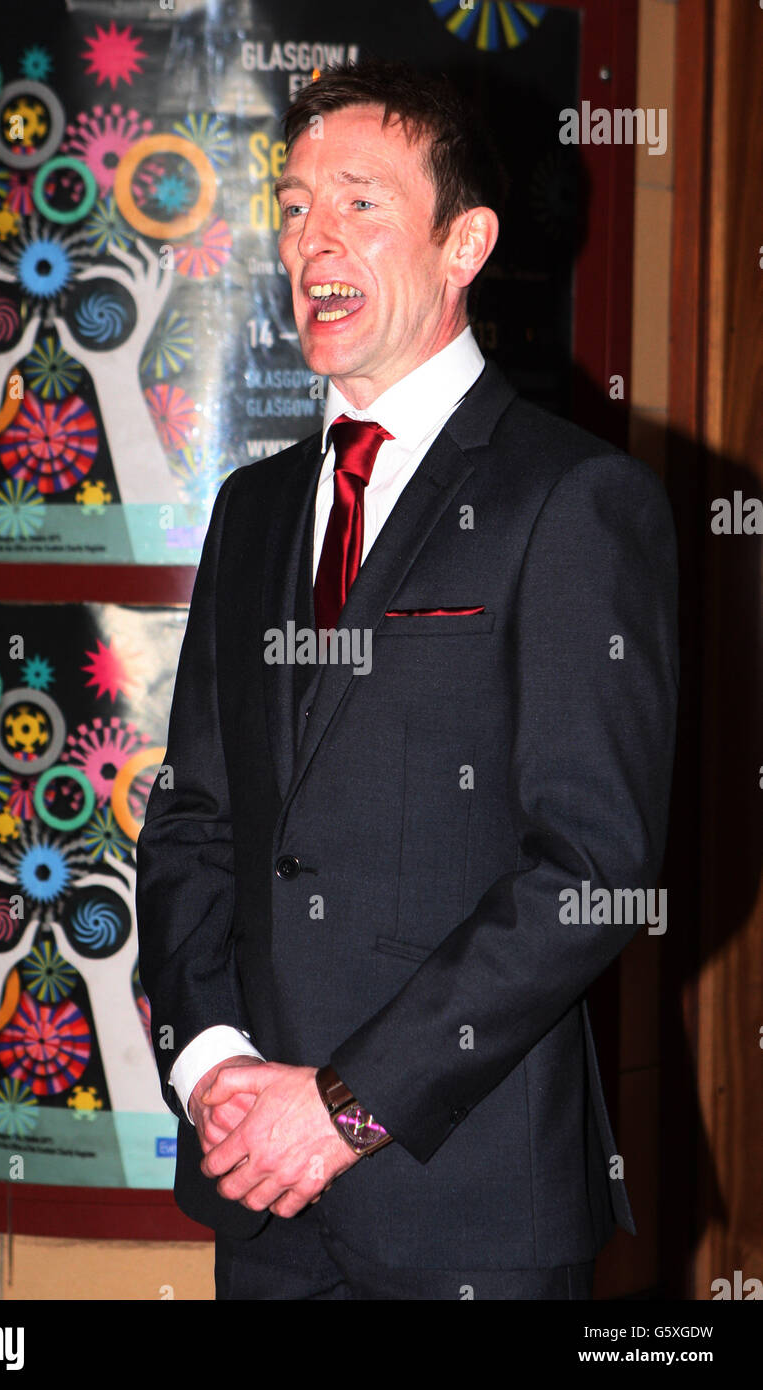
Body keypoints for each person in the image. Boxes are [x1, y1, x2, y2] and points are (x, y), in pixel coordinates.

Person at [136, 59, 678, 1301]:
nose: (311, 238)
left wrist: (343, 1107)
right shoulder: (253, 510)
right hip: (260, 1197)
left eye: (360, 202)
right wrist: (211, 1060)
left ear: (463, 242)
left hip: (466, 1204)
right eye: (293, 206)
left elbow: (591, 871)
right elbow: (195, 821)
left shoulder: (574, 501)